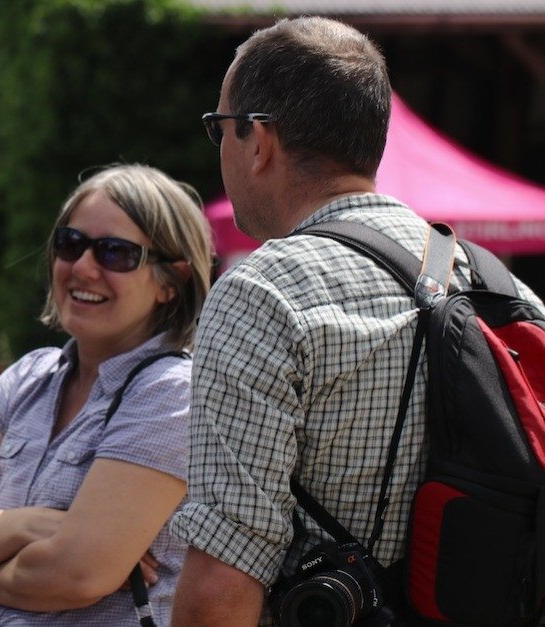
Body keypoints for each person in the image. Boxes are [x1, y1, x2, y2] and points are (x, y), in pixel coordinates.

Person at [168, 17, 545, 626]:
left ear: (259, 139)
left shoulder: (264, 291)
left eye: (221, 129)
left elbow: (221, 586)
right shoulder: (497, 284)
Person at [0, 164, 213, 626]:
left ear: (171, 282)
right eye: (71, 244)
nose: (84, 268)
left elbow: (75, 576)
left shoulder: (171, 392)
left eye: (116, 253)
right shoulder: (26, 378)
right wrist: (30, 525)